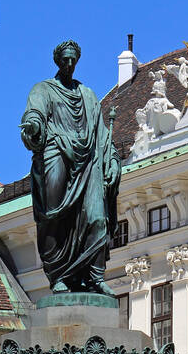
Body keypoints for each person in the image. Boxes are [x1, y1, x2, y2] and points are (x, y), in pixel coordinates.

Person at [20, 40, 122, 295]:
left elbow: (101, 135)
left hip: (89, 162)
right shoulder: (43, 90)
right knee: (54, 214)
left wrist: (111, 160)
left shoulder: (87, 95)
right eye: (64, 59)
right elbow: (34, 114)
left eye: (73, 60)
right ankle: (58, 276)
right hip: (56, 151)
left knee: (97, 217)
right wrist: (33, 125)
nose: (69, 64)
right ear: (57, 61)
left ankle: (95, 276)